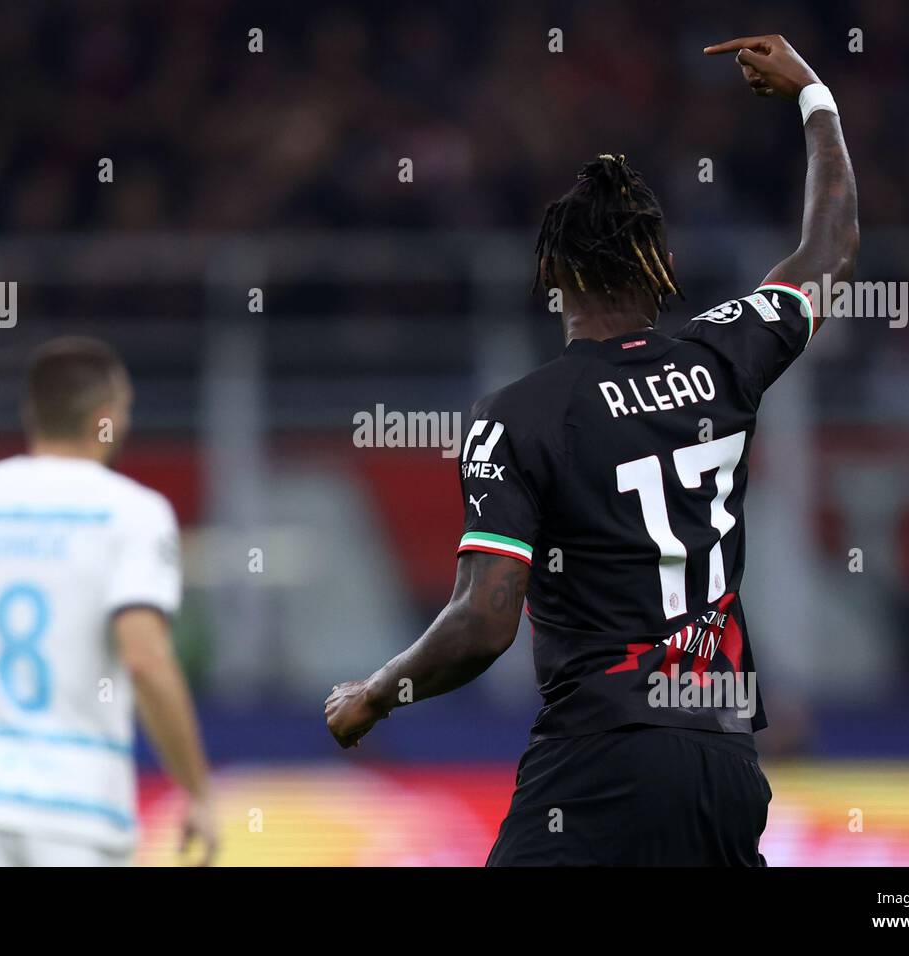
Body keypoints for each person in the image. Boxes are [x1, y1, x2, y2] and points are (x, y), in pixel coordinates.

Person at [325, 35, 857, 865]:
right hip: (723, 757)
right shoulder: (723, 357)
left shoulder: (519, 416)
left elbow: (483, 620)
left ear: (550, 276)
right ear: (665, 269)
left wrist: (373, 696)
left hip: (601, 759)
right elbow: (829, 253)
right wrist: (814, 98)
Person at [0, 336, 217, 866]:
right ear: (107, 416)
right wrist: (195, 790)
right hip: (80, 810)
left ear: (33, 413)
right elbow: (146, 661)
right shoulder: (132, 514)